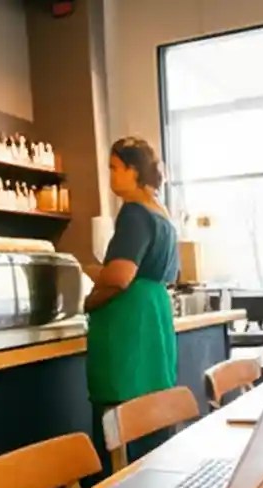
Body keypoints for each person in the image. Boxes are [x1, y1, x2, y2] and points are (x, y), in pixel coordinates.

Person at [86, 137, 180, 457]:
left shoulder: (134, 213)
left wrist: (89, 299)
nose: (110, 175)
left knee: (120, 420)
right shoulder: (162, 213)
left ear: (133, 170)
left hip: (128, 328)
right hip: (153, 319)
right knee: (152, 416)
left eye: (114, 168)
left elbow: (120, 275)